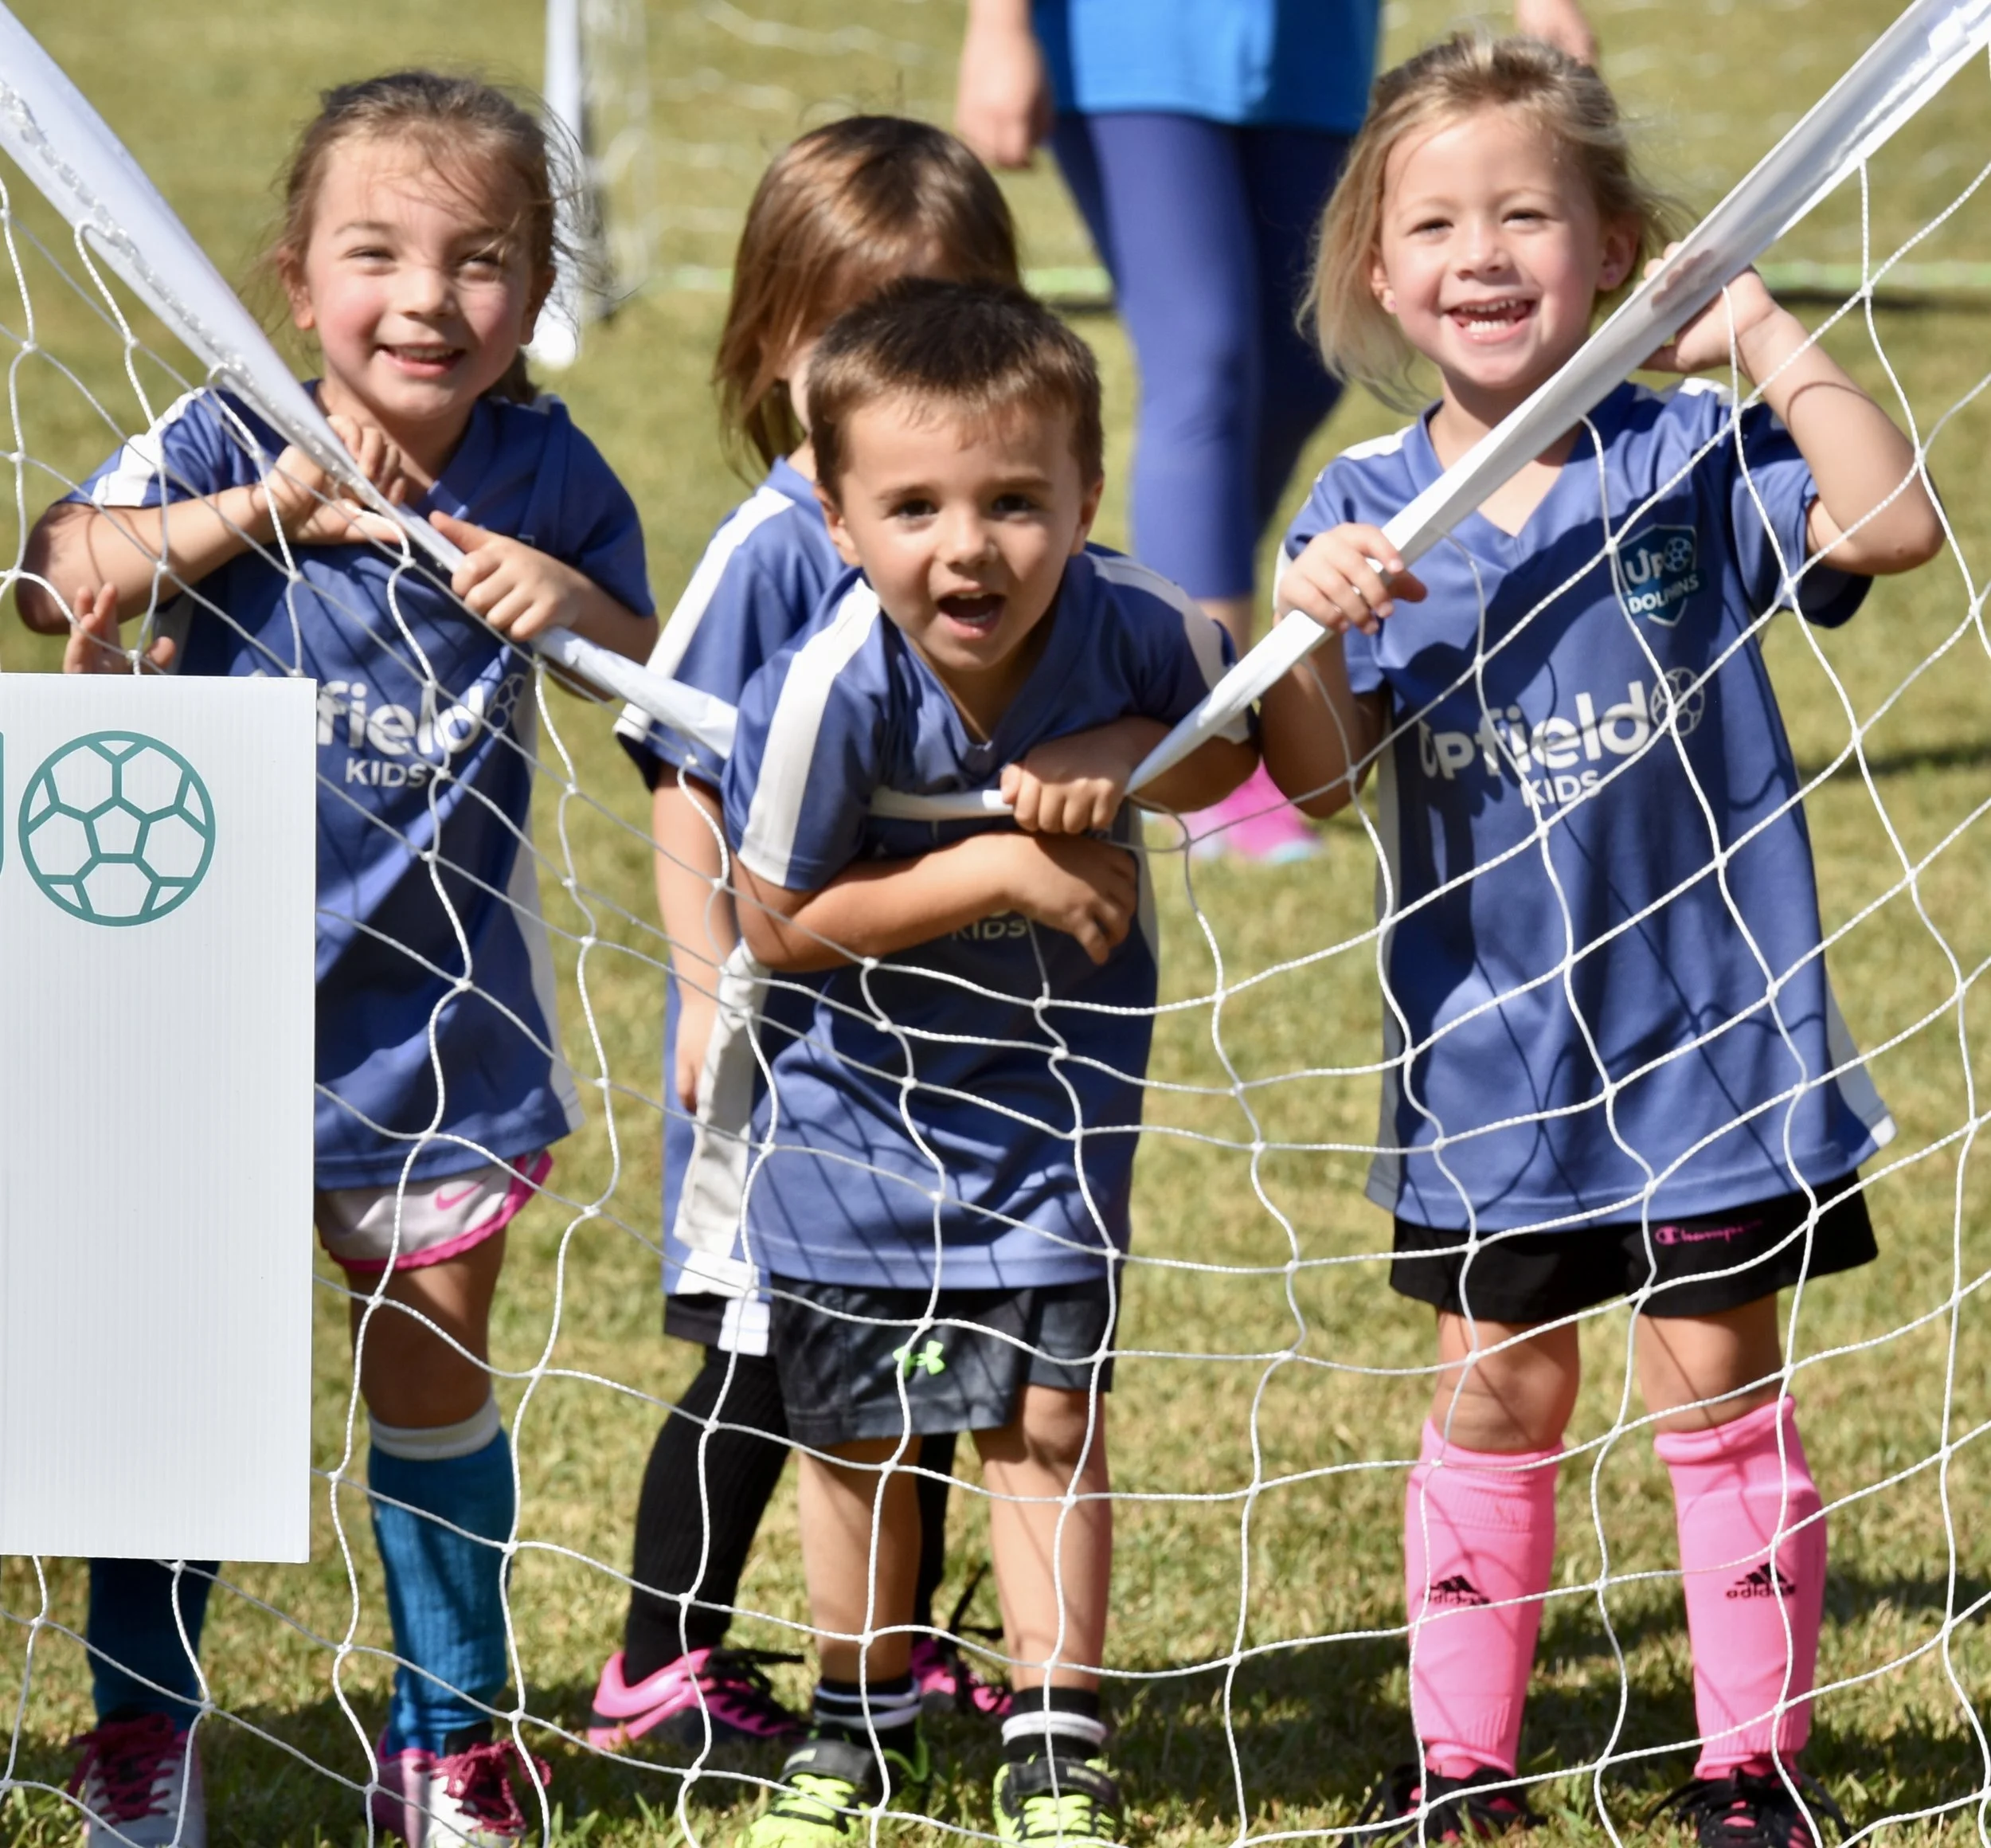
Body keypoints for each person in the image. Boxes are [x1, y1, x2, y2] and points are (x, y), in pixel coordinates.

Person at [1259, 29, 1945, 1846]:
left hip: (1711, 1028)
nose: (1483, 255)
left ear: (1614, 240)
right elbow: (1318, 787)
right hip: (1488, 1049)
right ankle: (1461, 1769)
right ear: (1382, 272)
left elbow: (1893, 522)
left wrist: (1767, 341)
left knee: (1715, 1373)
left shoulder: (1691, 451)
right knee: (1495, 1383)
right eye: (1437, 224)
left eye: (1527, 215)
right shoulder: (1355, 511)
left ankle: (1750, 1766)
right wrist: (1308, 630)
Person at [22, 70, 659, 1848]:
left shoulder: (552, 473)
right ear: (295, 281)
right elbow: (55, 566)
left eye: (479, 262)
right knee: (170, 1396)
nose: (425, 298)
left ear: (534, 297)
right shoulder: (232, 430)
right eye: (375, 253)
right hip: (194, 1015)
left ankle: (447, 1743)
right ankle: (142, 1738)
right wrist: (265, 513)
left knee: (433, 1373)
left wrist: (573, 604)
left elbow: (659, 674)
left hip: (429, 1031)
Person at [722, 279, 1254, 1848]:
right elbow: (776, 919)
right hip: (854, 1148)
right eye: (915, 506)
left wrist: (1123, 755)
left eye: (1016, 501)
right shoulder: (830, 688)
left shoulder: (1120, 620)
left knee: (1043, 1423)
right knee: (866, 1435)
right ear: (835, 517)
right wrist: (1007, 869)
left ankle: (1054, 1734)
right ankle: (852, 1718)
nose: (969, 546)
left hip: (1050, 1132)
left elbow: (1230, 735)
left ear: (1085, 496)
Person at [591, 117, 1024, 1760]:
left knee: (908, 1333)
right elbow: (684, 784)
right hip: (784, 1046)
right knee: (764, 1354)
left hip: (928, 1044)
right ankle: (658, 1660)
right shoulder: (781, 544)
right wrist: (711, 989)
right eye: (856, 331)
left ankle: (891, 1646)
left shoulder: (979, 535)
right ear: (778, 349)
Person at [953, 0, 1597, 862]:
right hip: (1136, 38)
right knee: (1207, 361)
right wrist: (1000, 26)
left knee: (1304, 361)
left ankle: (1140, 644)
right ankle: (1201, 732)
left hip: (1313, 39)